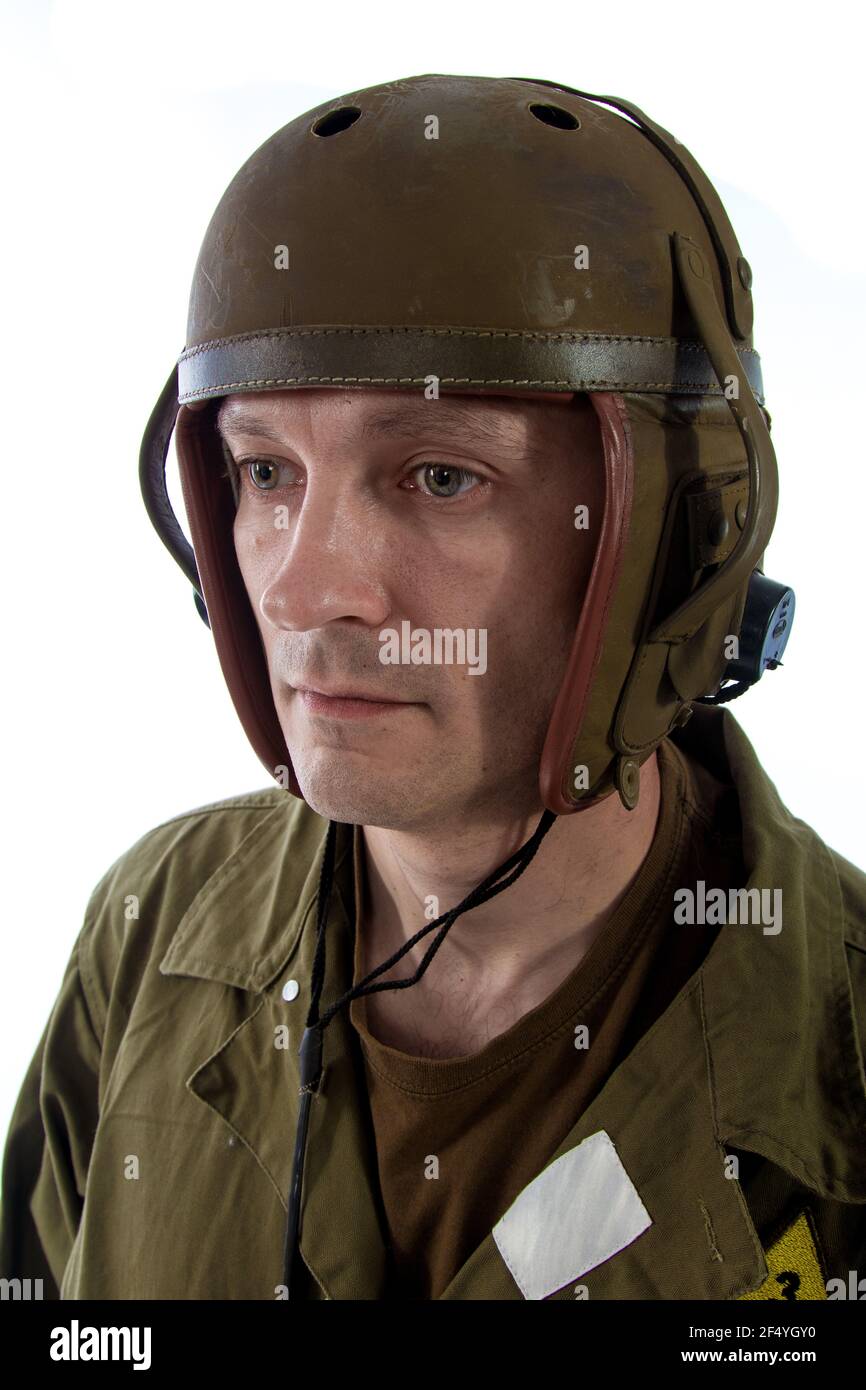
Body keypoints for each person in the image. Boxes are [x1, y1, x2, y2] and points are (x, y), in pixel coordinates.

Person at [2, 72, 864, 1303]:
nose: (304, 593)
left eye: (438, 479)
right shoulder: (154, 925)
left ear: (677, 545)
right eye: (262, 472)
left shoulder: (843, 1063)